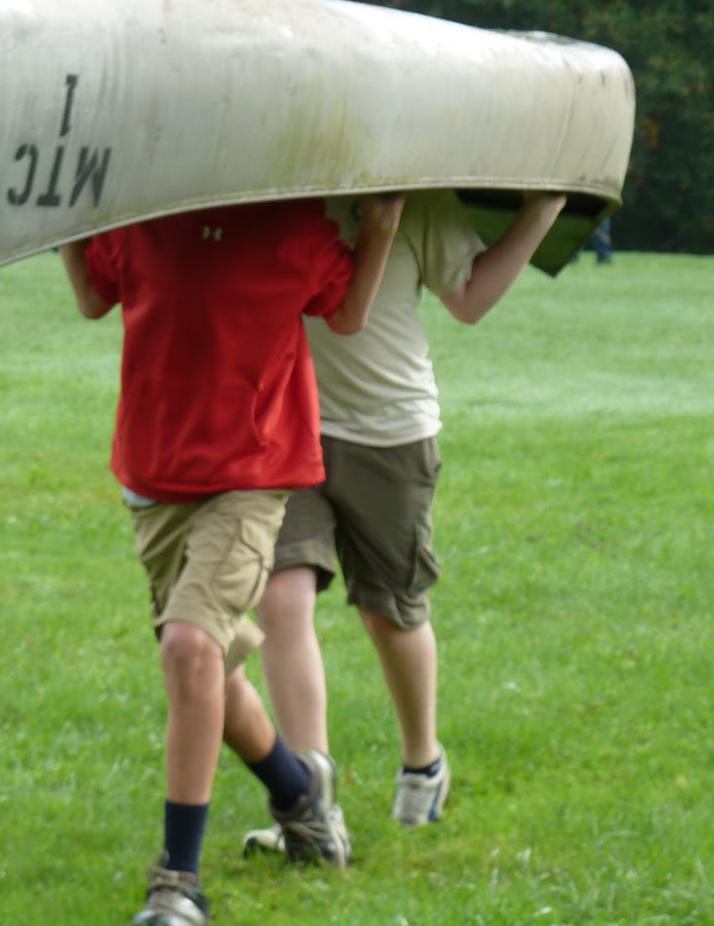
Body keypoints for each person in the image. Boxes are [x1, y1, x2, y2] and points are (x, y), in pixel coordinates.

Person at [61, 192, 405, 926]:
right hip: (153, 477)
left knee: (189, 649)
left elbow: (345, 314)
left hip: (253, 477)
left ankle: (177, 881)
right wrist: (65, 218)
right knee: (211, 670)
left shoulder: (295, 225)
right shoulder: (145, 212)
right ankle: (299, 797)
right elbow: (94, 297)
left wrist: (379, 229)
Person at [240, 190, 567, 859]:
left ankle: (423, 762)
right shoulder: (273, 185)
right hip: (285, 423)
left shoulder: (416, 197)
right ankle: (310, 802)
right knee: (281, 598)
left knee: (390, 611)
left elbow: (468, 301)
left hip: (389, 433)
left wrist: (542, 212)